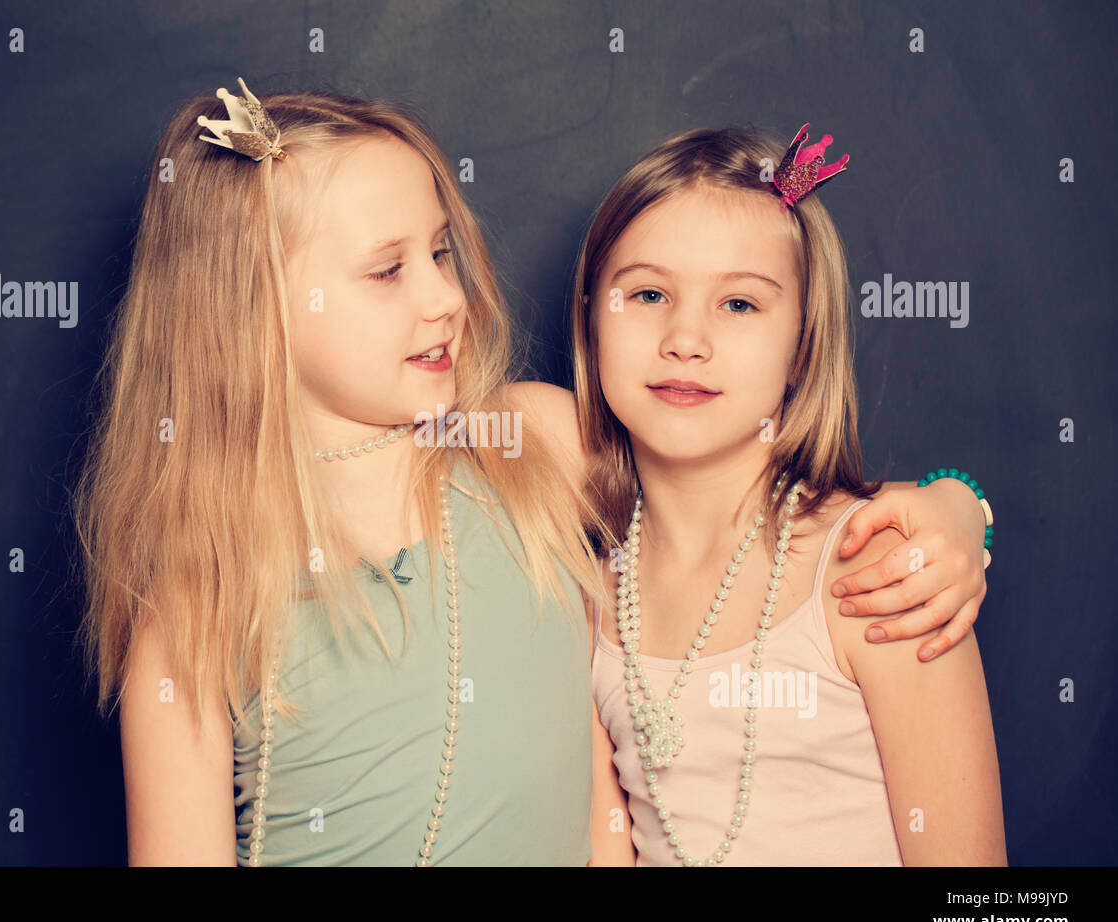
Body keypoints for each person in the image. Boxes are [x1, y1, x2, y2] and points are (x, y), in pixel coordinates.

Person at [72, 85, 992, 865]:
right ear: (251, 308)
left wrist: (956, 506)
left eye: (441, 253)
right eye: (387, 271)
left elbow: (712, 472)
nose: (446, 296)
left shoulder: (523, 444)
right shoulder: (200, 590)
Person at [576, 125, 1004, 865]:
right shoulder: (588, 602)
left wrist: (961, 507)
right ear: (592, 316)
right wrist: (965, 499)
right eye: (648, 294)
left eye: (739, 305)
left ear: (804, 344)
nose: (686, 337)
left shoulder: (875, 571)